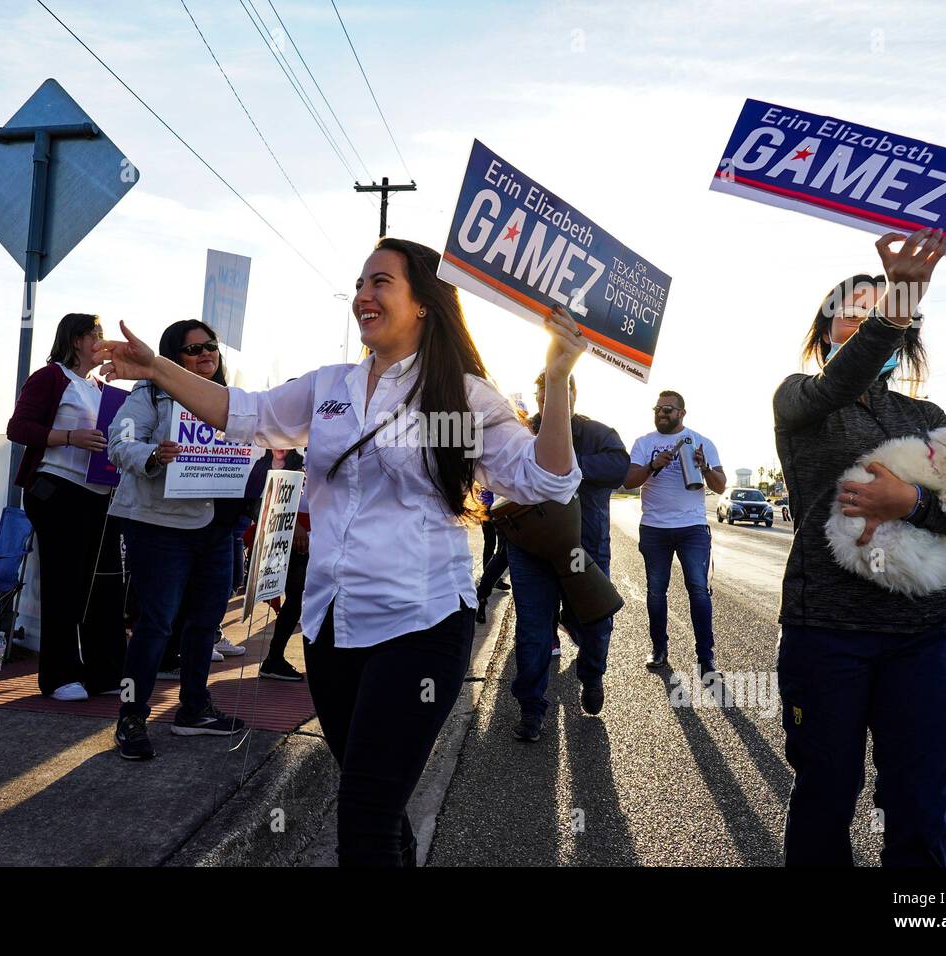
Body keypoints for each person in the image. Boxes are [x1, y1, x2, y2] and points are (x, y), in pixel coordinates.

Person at [97, 237, 585, 867]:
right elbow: (245, 413)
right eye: (360, 283)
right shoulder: (329, 387)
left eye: (380, 282)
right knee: (378, 804)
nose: (362, 296)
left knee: (363, 816)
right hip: (330, 631)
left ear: (424, 305)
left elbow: (545, 482)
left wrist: (560, 382)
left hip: (421, 625)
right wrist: (161, 369)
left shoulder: (464, 398)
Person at [774, 228, 946, 867]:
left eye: (877, 308)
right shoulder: (800, 399)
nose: (861, 319)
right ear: (824, 331)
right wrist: (901, 296)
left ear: (904, 334)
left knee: (920, 804)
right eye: (849, 311)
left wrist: (911, 504)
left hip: (919, 636)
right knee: (826, 796)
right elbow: (839, 382)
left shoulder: (926, 415)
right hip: (827, 631)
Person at [106, 320, 247, 759]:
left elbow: (257, 443)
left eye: (211, 347)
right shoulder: (149, 394)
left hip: (216, 527)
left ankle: (193, 709)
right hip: (159, 525)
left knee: (205, 623)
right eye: (193, 349)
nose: (206, 354)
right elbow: (119, 441)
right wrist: (152, 454)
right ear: (171, 356)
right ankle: (131, 715)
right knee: (156, 623)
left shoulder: (235, 402)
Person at [6, 312, 125, 701]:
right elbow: (19, 428)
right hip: (57, 490)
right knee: (64, 582)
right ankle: (59, 675)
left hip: (98, 493)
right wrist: (71, 436)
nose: (101, 340)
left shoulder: (101, 387)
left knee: (103, 584)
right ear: (75, 339)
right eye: (96, 334)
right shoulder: (51, 377)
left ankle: (104, 670)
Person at [506, 371, 629, 740]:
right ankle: (531, 709)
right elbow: (495, 471)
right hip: (531, 550)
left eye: (561, 390)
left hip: (582, 550)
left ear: (573, 393)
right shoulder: (518, 431)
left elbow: (619, 468)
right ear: (539, 397)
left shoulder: (598, 434)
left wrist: (563, 465)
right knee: (533, 629)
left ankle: (591, 674)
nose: (552, 398)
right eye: (545, 392)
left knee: (594, 622)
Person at [623, 390, 726, 676]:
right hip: (655, 528)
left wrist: (703, 466)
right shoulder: (644, 443)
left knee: (698, 590)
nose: (661, 413)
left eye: (668, 409)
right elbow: (629, 480)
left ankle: (706, 658)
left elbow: (720, 486)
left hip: (692, 528)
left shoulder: (702, 441)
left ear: (682, 413)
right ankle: (659, 649)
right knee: (656, 591)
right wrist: (654, 464)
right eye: (658, 408)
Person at [248, 447, 308, 681]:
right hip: (291, 533)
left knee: (304, 598)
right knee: (298, 596)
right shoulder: (268, 462)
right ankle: (274, 659)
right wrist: (293, 524)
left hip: (323, 527)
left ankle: (275, 658)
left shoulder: (302, 454)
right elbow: (257, 502)